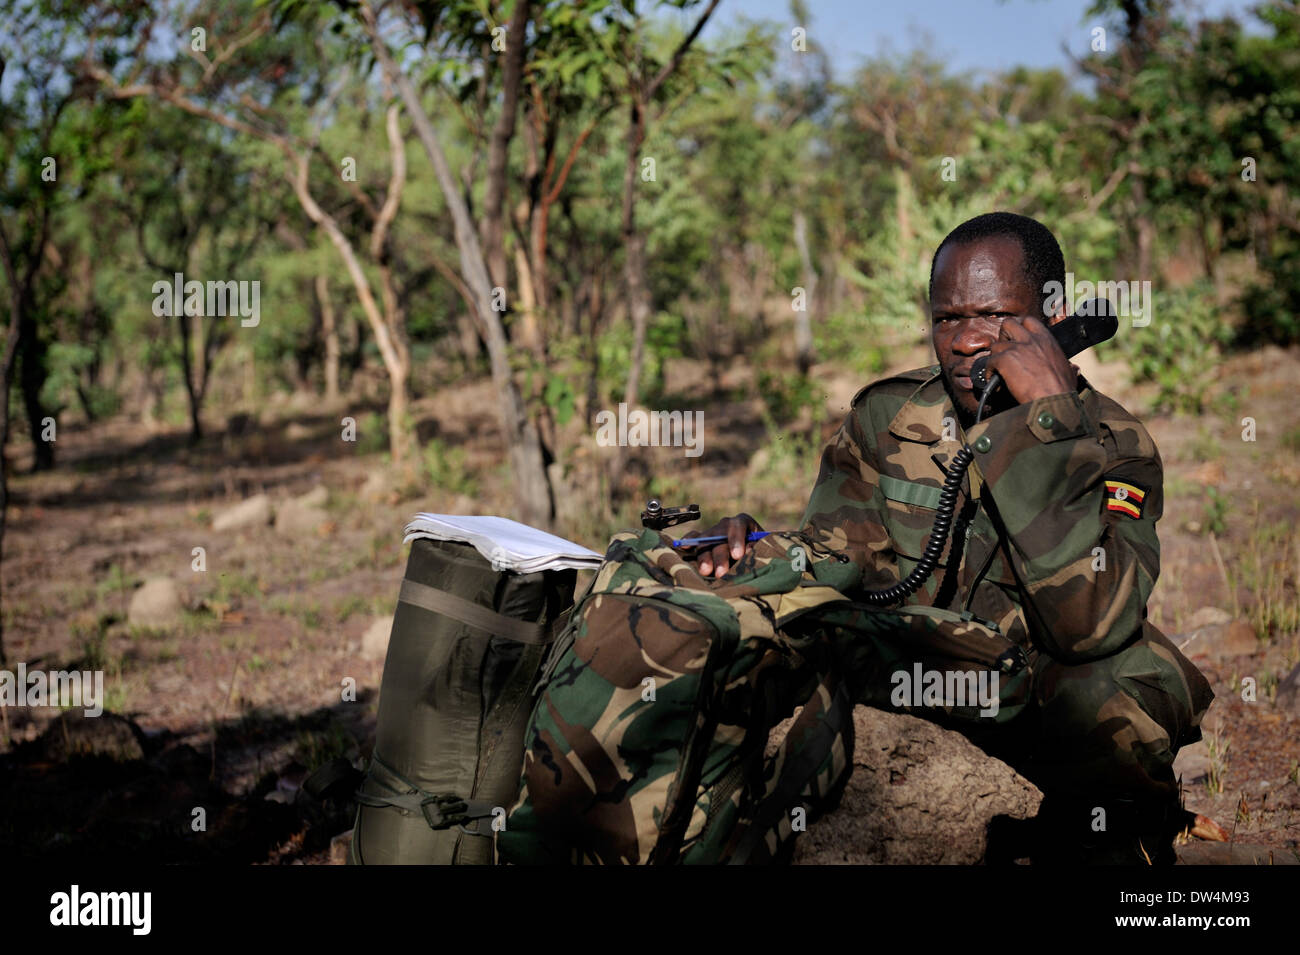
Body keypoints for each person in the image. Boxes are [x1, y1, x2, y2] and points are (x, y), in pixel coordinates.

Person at [686, 212, 1214, 864]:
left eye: (991, 315)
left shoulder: (1112, 444)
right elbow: (838, 558)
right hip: (902, 665)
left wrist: (1042, 428)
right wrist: (761, 547)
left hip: (1025, 682)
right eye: (946, 318)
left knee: (1114, 683)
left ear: (1053, 320)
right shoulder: (887, 416)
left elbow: (1091, 625)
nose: (964, 342)